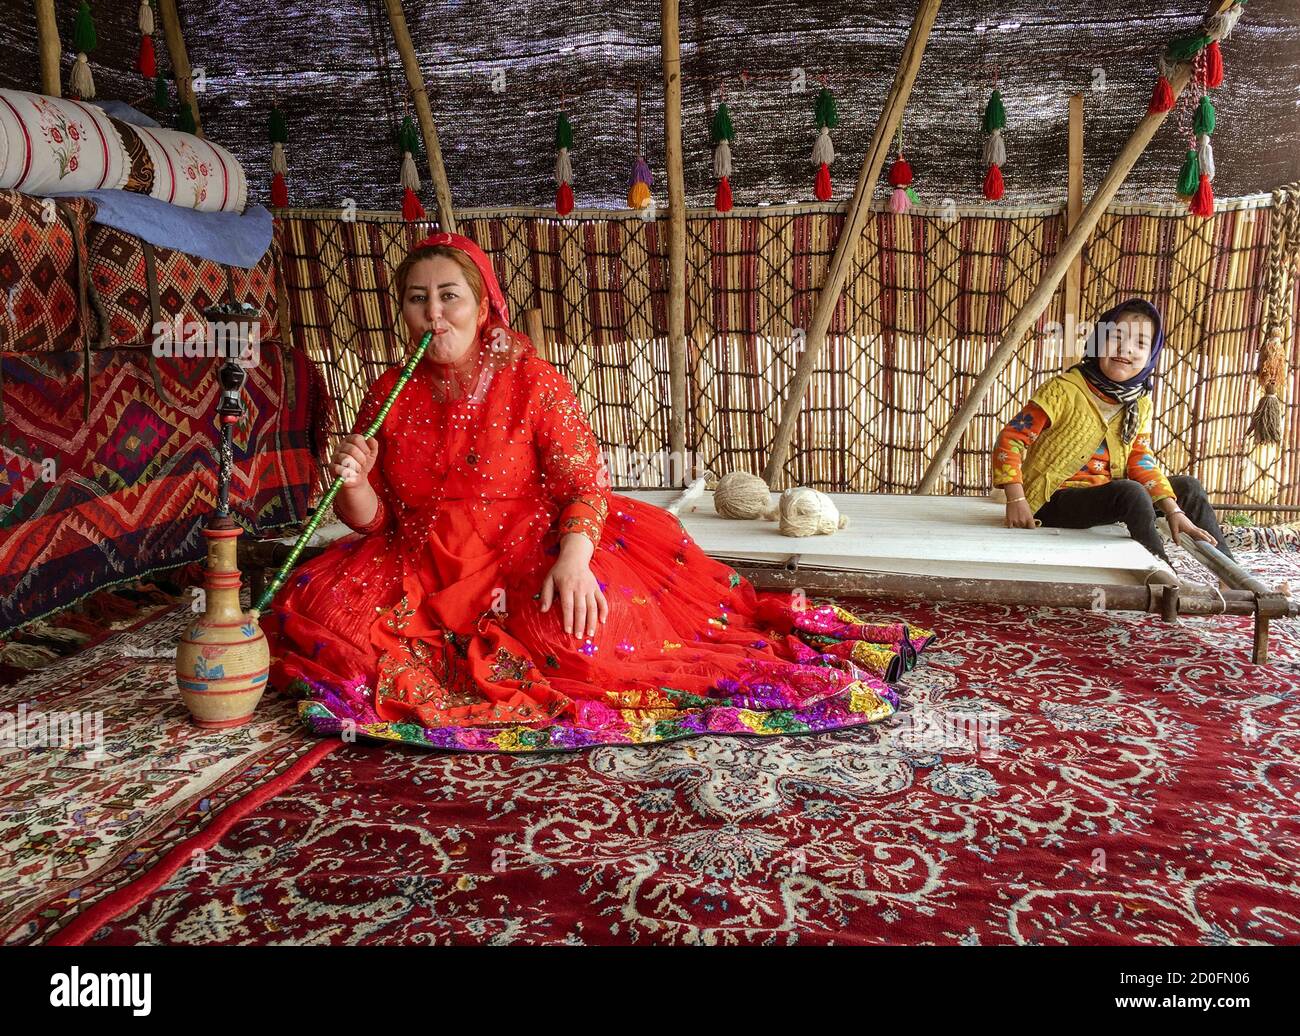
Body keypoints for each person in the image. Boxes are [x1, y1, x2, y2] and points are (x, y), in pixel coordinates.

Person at [261, 232, 935, 753]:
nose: (433, 312)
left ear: (480, 303)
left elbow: (585, 482)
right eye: (417, 297)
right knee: (325, 617)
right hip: (420, 558)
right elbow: (371, 522)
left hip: (525, 547)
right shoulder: (388, 392)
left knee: (577, 637)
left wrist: (575, 559)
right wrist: (351, 480)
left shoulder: (532, 381)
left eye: (448, 296)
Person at [992, 297, 1233, 564]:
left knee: (1188, 487)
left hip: (1109, 495)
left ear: (1151, 354)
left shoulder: (1139, 402)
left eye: (1140, 343)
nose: (1125, 349)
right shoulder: (1063, 390)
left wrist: (1173, 511)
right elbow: (1012, 439)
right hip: (1053, 499)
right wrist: (1016, 500)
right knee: (1131, 492)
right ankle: (1163, 576)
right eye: (1116, 336)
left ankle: (1229, 574)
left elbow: (1138, 457)